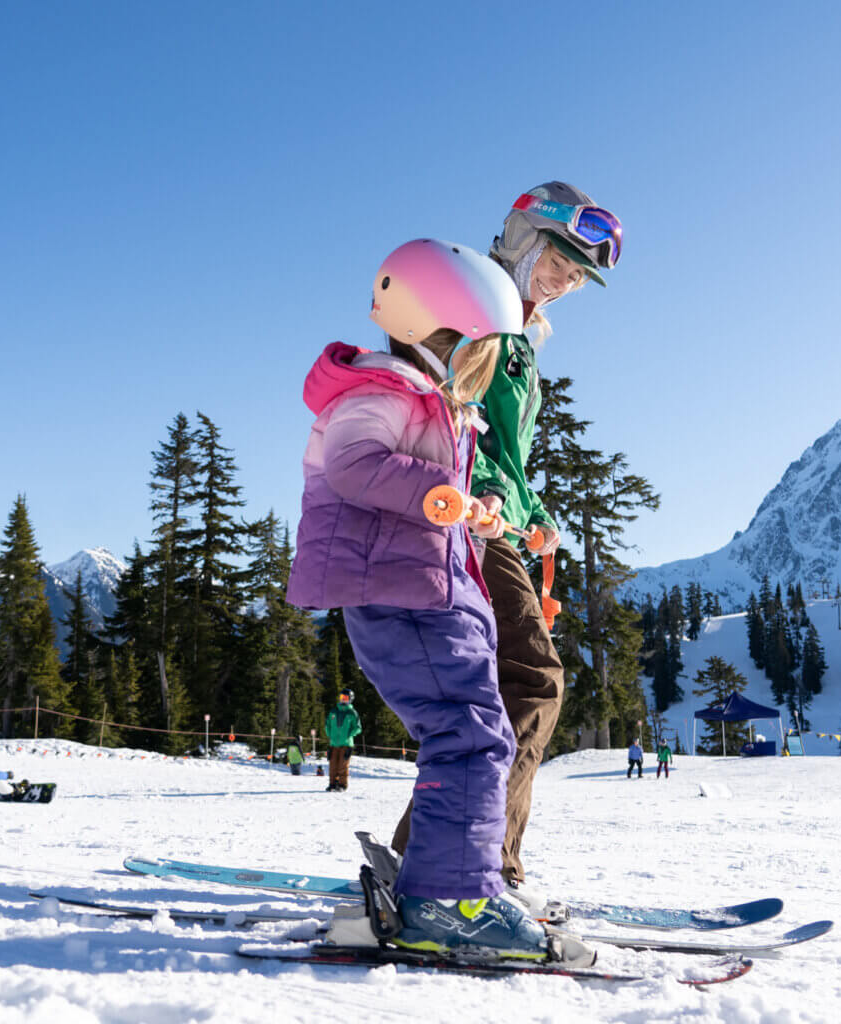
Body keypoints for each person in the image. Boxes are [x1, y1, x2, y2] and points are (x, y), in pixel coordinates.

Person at [287, 238, 591, 965]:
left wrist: (482, 506)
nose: (486, 374)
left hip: (435, 592)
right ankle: (451, 904)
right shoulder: (380, 391)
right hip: (404, 598)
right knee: (472, 737)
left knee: (478, 734)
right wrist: (439, 496)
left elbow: (442, 492)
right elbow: (355, 464)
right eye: (481, 355)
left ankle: (453, 882)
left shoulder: (433, 403)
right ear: (440, 334)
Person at [389, 183, 622, 914]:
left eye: (579, 276)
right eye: (560, 262)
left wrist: (534, 511)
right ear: (524, 239)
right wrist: (485, 494)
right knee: (532, 679)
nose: (568, 282)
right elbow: (446, 407)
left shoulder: (519, 338)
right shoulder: (475, 310)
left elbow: (507, 460)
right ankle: (476, 867)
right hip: (460, 520)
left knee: (494, 695)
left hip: (489, 522)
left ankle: (428, 856)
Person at [324, 690, 361, 792]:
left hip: (346, 744)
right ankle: (332, 784)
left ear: (350, 699)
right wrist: (330, 735)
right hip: (333, 743)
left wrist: (349, 735)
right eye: (342, 697)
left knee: (342, 765)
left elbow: (357, 727)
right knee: (333, 765)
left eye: (345, 698)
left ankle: (342, 785)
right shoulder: (333, 711)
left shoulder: (352, 713)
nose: (343, 700)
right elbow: (327, 725)